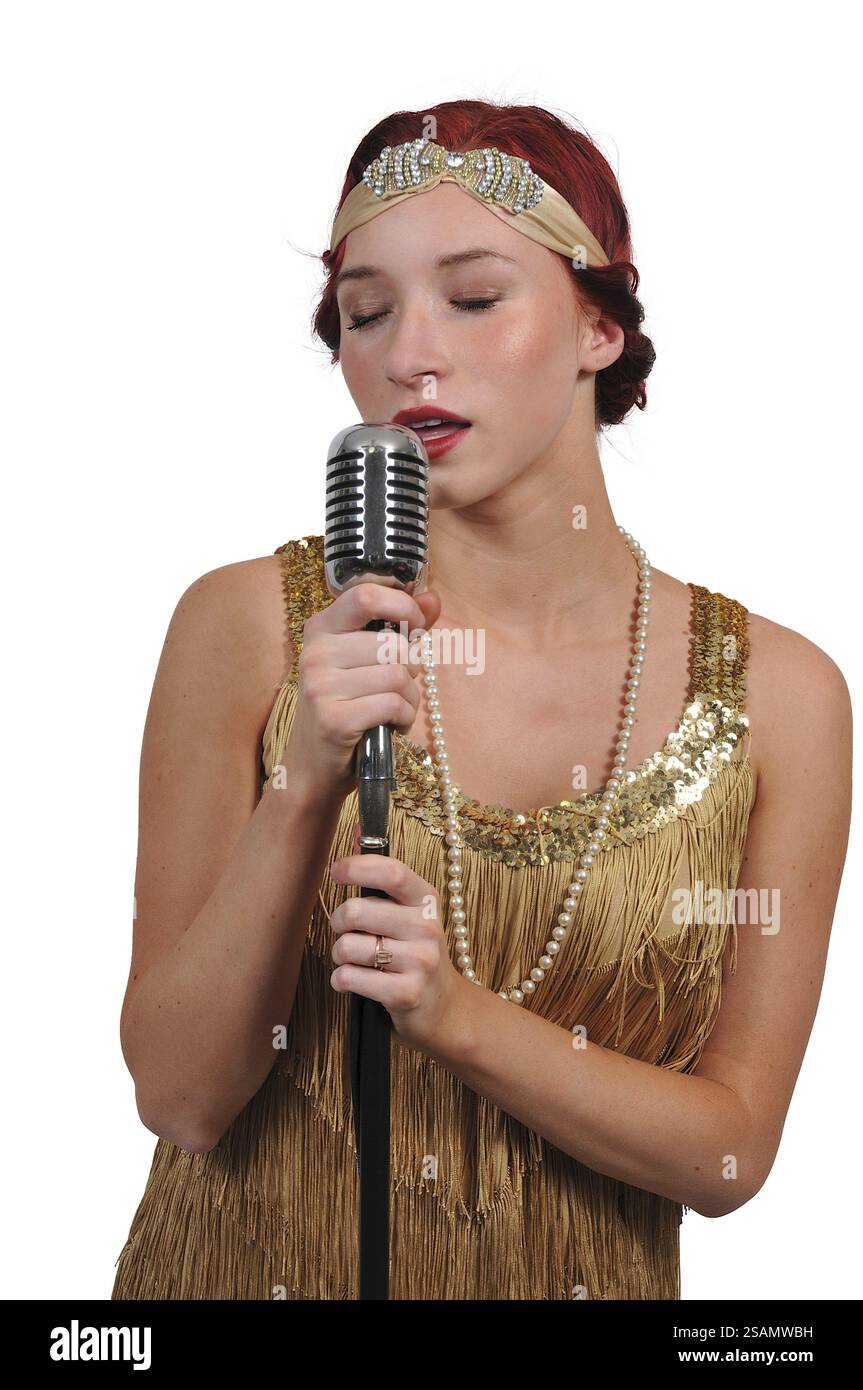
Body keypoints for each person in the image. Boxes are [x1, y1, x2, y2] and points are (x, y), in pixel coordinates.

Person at [111, 100, 852, 1301]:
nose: (408, 353)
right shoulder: (249, 627)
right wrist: (301, 779)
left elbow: (729, 1151)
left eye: (472, 296)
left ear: (597, 327)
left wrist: (457, 1019)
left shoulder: (782, 696)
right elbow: (181, 1100)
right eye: (365, 311)